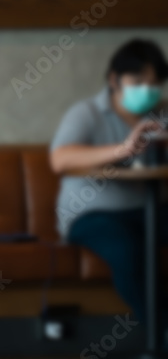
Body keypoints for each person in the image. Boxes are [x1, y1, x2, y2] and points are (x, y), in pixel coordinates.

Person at [50, 38, 168, 324]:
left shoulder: (162, 113)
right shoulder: (86, 113)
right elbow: (60, 159)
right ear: (114, 79)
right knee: (128, 249)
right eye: (138, 81)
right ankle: (161, 333)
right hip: (91, 214)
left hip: (149, 209)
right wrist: (123, 149)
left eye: (154, 84)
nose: (147, 91)